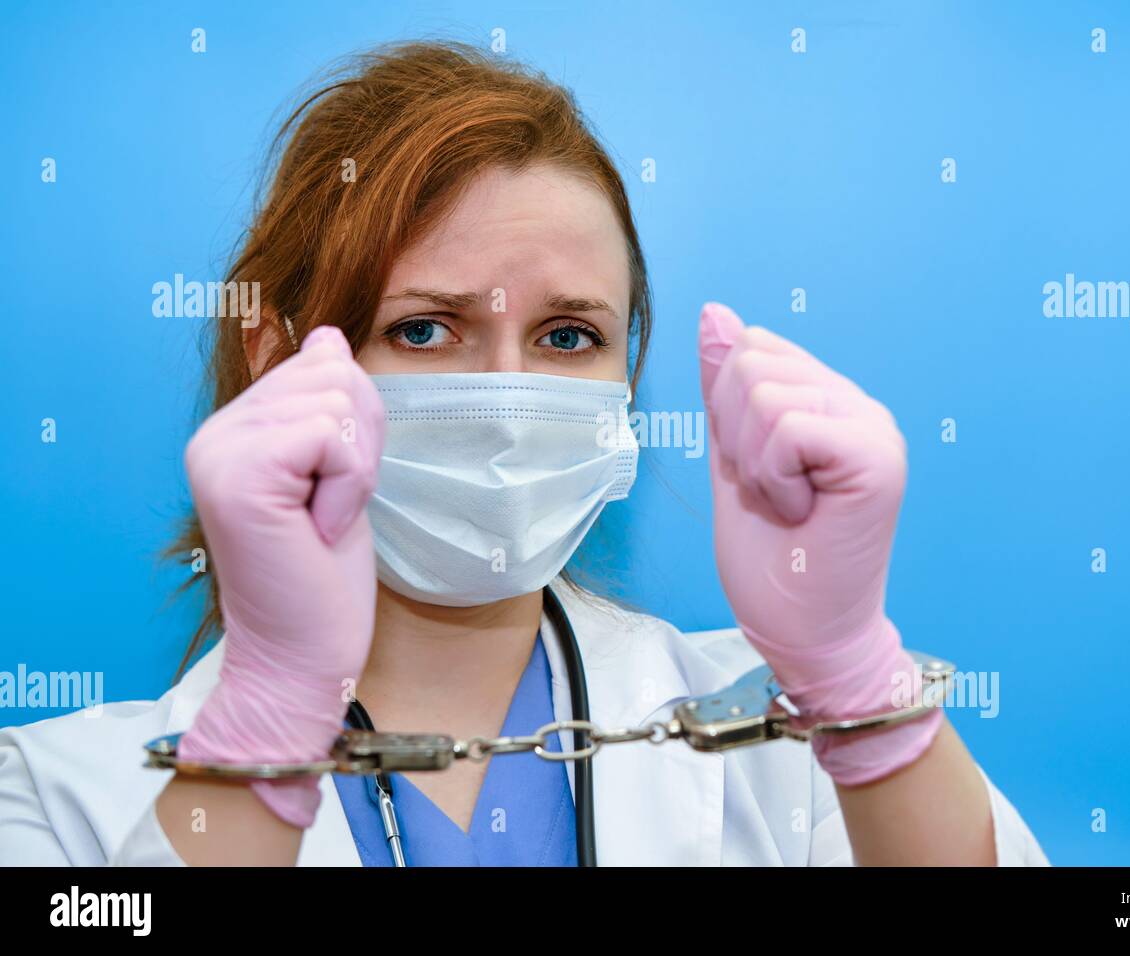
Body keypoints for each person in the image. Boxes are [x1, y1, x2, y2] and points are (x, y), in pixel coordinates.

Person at [0, 41, 1048, 866]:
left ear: (626, 382)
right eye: (423, 328)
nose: (507, 401)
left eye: (566, 336)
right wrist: (263, 725)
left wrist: (854, 682)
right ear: (277, 362)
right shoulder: (55, 792)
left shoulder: (786, 748)